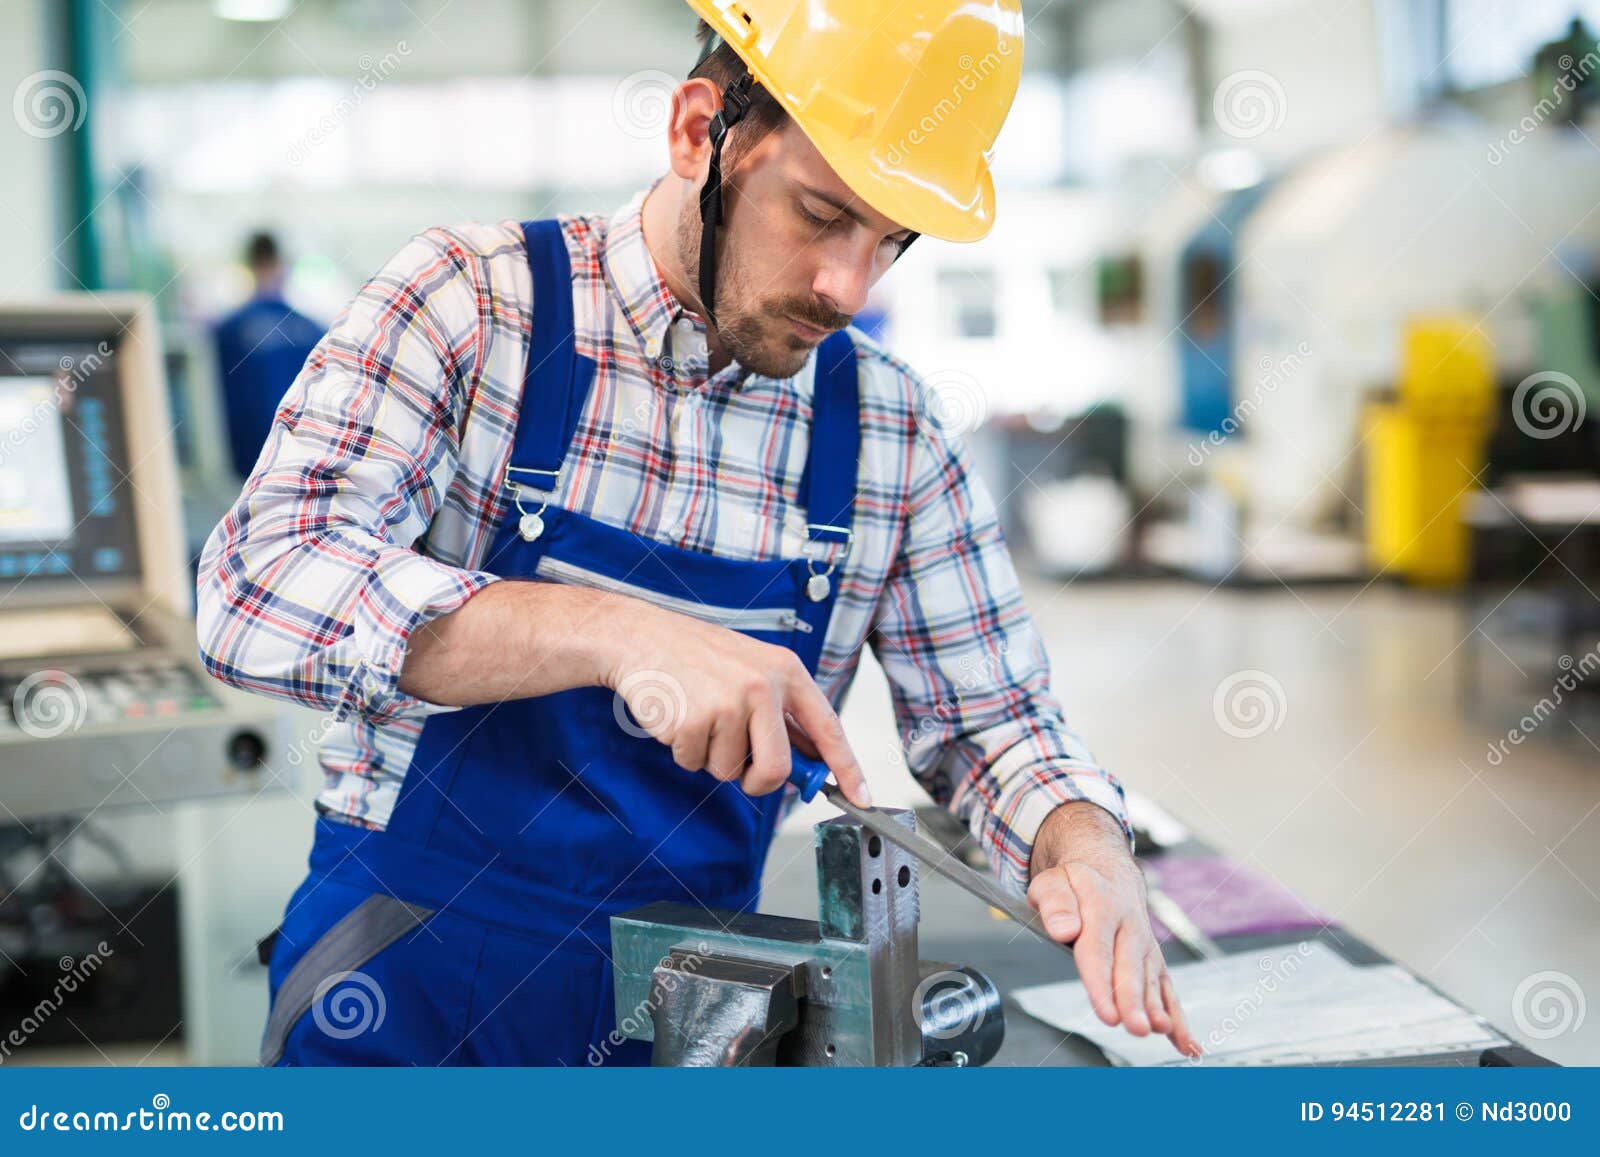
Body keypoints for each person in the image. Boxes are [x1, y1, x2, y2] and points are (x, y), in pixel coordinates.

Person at [197, 0, 1200, 1066]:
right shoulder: (474, 307)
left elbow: (995, 722)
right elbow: (257, 584)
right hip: (408, 991)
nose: (847, 287)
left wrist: (1082, 840)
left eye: (889, 243)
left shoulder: (890, 435)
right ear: (697, 133)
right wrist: (616, 634)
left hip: (692, 1024)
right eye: (819, 214)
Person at [212, 232, 323, 478]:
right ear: (282, 263)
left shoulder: (229, 330)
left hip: (252, 457)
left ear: (249, 265)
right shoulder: (313, 329)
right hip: (304, 454)